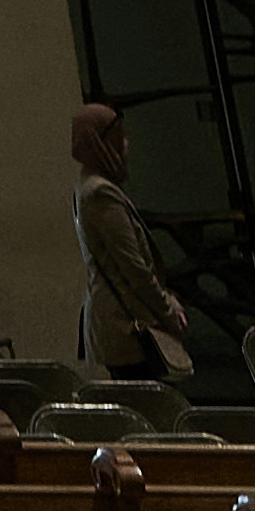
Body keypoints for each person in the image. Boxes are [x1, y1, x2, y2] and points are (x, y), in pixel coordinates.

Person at [69, 100, 192, 380]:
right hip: (126, 327)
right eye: (118, 138)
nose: (126, 144)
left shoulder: (89, 186)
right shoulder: (100, 194)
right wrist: (168, 311)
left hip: (119, 324)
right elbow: (134, 268)